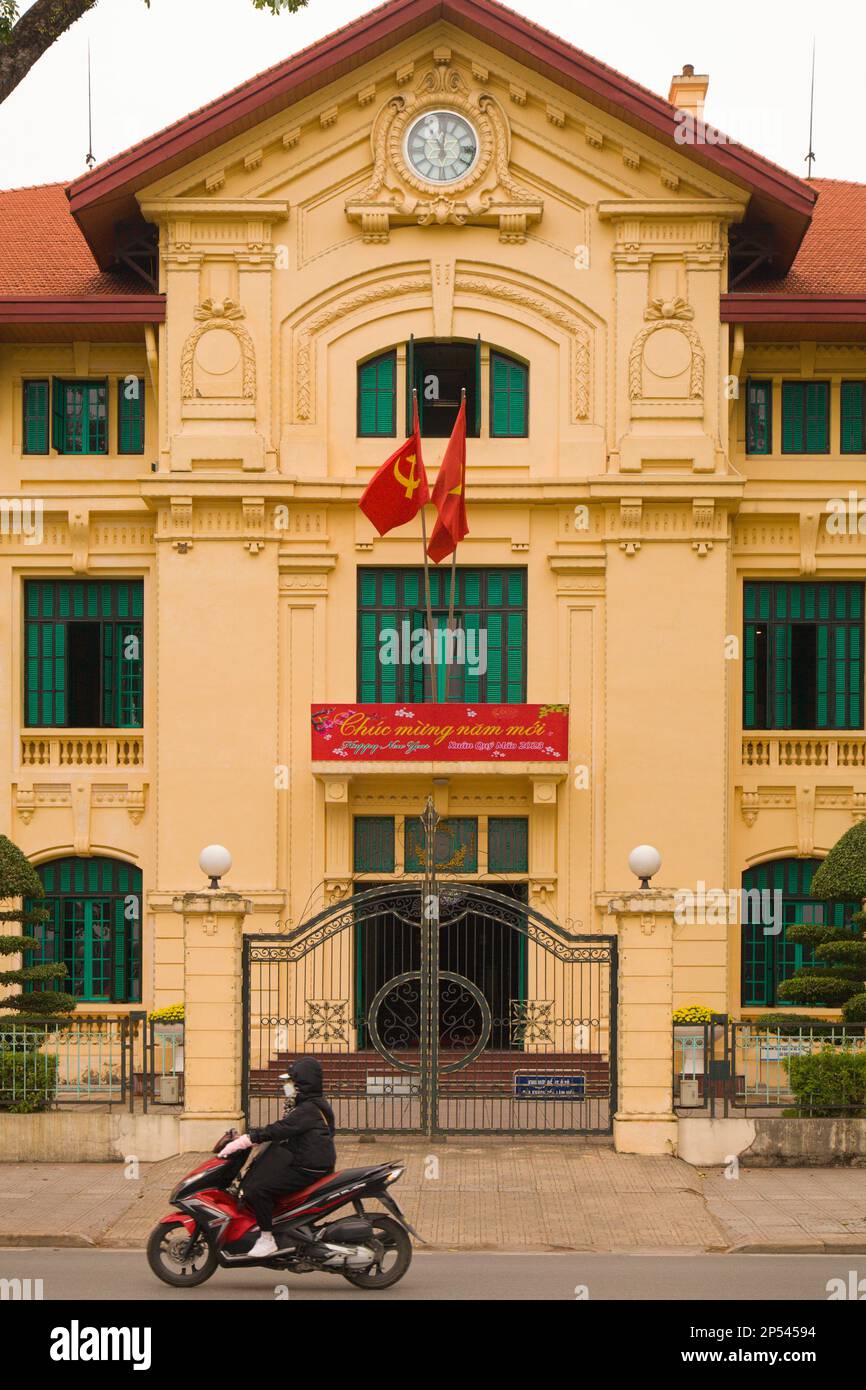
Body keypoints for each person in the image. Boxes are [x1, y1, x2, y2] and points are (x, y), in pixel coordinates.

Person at [220, 1056, 336, 1259]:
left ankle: (267, 1238)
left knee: (257, 1189)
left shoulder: (308, 1109)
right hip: (307, 1160)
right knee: (262, 1173)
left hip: (309, 1167)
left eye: (290, 1082)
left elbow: (282, 1128)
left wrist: (248, 1139)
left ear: (302, 1084)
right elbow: (282, 1130)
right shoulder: (309, 1105)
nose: (286, 1086)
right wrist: (252, 1137)